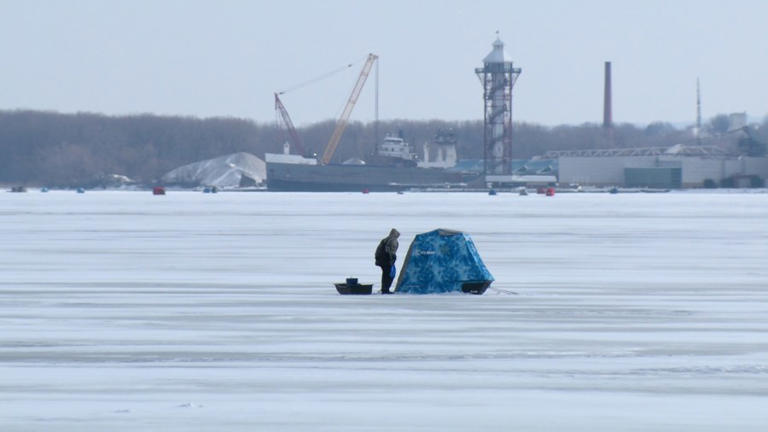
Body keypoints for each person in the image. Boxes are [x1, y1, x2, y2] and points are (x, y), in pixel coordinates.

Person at [375, 228, 400, 294]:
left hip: (381, 260)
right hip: (386, 260)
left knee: (385, 274)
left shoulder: (385, 239)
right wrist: (392, 259)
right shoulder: (392, 240)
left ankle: (384, 289)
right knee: (388, 275)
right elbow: (390, 251)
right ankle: (386, 289)